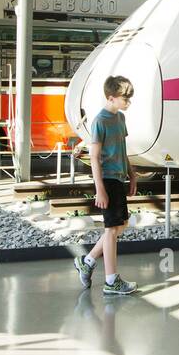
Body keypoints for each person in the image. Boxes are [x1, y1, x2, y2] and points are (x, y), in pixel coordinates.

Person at [73, 75, 138, 295]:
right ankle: (111, 281)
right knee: (111, 230)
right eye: (125, 98)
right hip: (107, 180)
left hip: (119, 178)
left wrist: (132, 174)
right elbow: (94, 157)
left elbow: (122, 148)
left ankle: (88, 261)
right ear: (111, 97)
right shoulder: (99, 121)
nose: (128, 102)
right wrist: (99, 188)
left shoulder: (120, 118)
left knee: (121, 226)